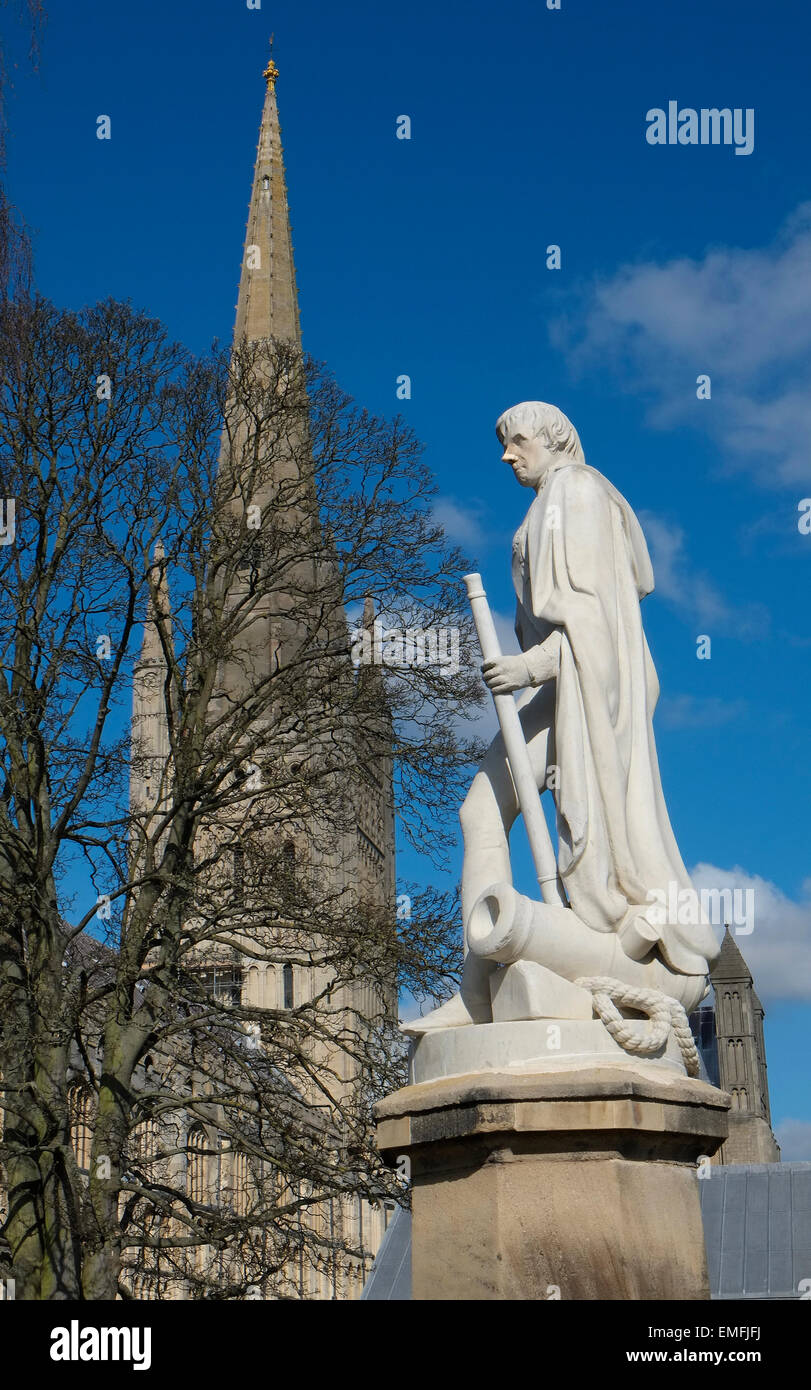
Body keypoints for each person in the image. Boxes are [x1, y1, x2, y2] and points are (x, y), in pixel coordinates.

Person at [409, 401, 718, 1033]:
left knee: (515, 820)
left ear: (553, 439)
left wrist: (528, 668)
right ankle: (478, 989)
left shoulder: (576, 491)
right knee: (479, 811)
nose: (505, 454)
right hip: (557, 686)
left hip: (580, 688)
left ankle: (581, 939)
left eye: (516, 440)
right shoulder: (542, 507)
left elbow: (593, 620)